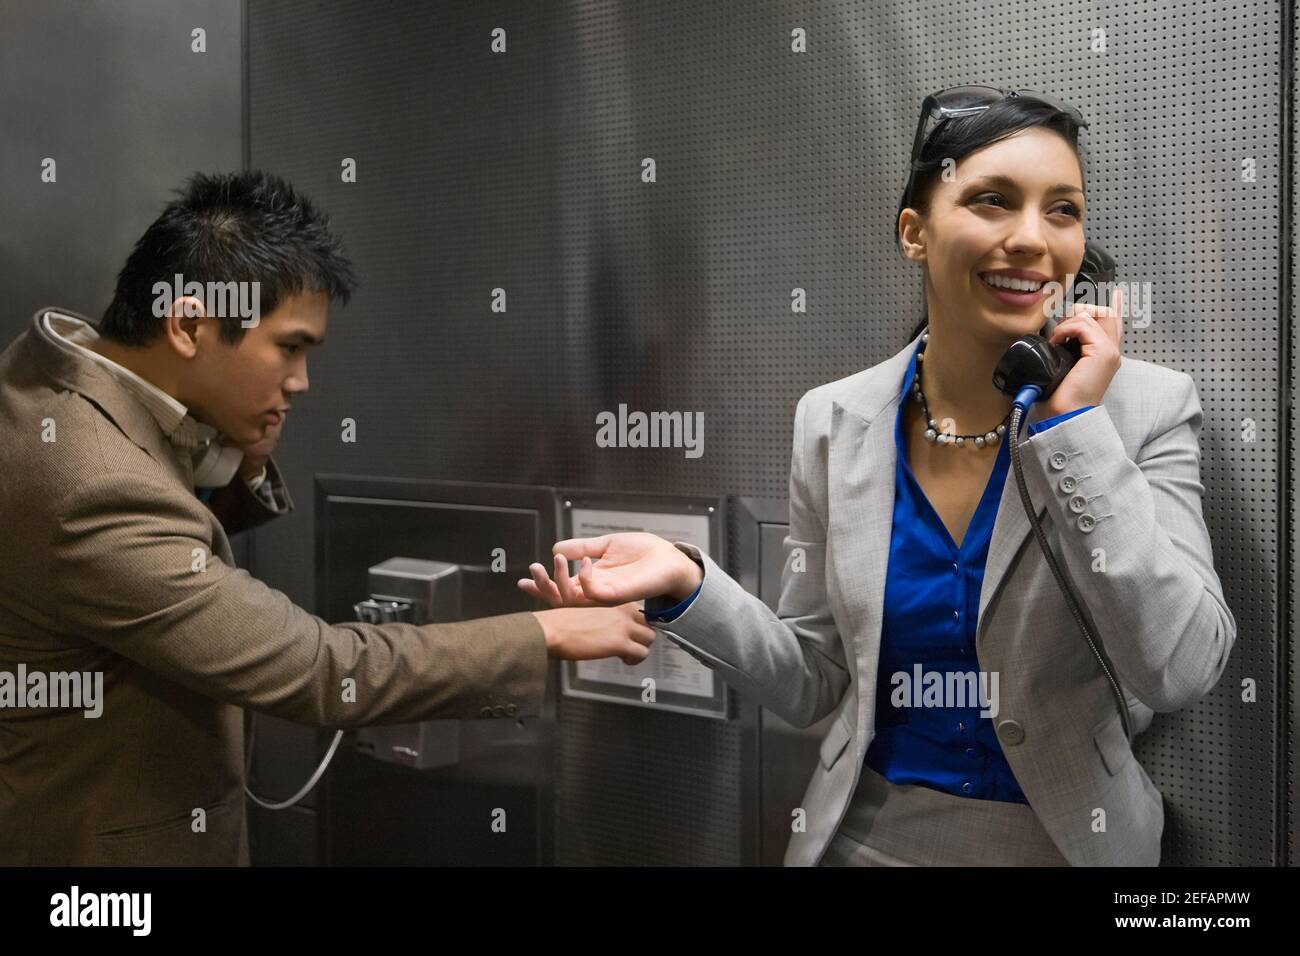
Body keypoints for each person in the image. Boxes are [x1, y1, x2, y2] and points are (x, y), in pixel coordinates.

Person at [519, 88, 1236, 867]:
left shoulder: (1144, 411)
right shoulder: (833, 420)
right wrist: (689, 586)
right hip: (865, 842)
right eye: (993, 201)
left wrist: (1072, 432)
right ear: (914, 234)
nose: (1033, 238)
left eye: (1062, 210)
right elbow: (817, 680)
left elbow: (1181, 668)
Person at [0, 170, 654, 865]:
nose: (301, 383)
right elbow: (321, 670)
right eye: (289, 347)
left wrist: (234, 458)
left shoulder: (47, 372)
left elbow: (140, 526)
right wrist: (545, 634)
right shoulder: (91, 487)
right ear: (188, 323)